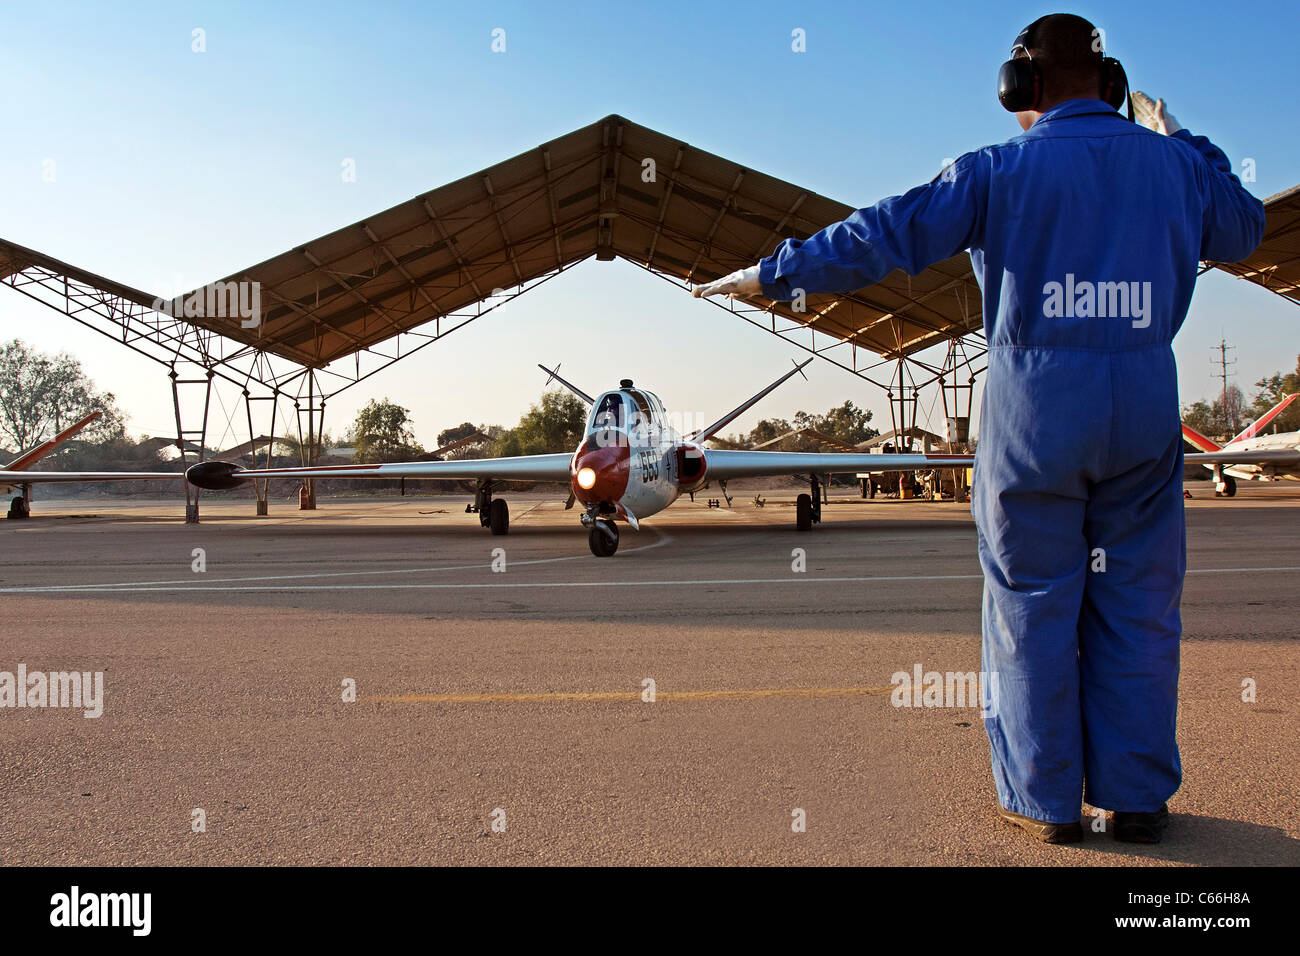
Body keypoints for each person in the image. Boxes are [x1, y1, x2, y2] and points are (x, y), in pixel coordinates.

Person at [694, 13, 1264, 844]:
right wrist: (1183, 137)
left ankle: (1044, 804)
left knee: (1029, 602)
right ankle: (1136, 799)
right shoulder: (1175, 165)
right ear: (1112, 88)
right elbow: (1244, 228)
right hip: (1143, 400)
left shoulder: (995, 170)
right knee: (1139, 605)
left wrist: (777, 272)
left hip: (1036, 404)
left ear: (1021, 89)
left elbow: (884, 232)